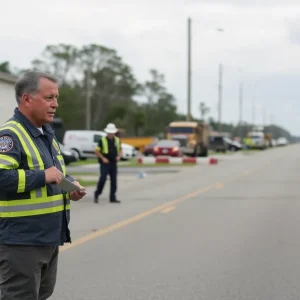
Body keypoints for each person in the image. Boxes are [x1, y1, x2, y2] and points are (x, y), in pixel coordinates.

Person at [0, 71, 87, 300]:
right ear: (27, 99)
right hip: (21, 241)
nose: (55, 104)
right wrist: (42, 176)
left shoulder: (46, 134)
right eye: (49, 98)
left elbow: (54, 174)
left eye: (56, 98)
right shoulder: (11, 135)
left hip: (47, 238)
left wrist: (70, 186)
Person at [94, 123, 122, 204]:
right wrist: (103, 158)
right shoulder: (102, 140)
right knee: (103, 179)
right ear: (107, 133)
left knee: (114, 181)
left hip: (113, 162)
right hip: (105, 163)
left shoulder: (117, 140)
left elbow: (120, 150)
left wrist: (119, 156)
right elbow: (97, 151)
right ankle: (97, 193)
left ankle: (112, 197)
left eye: (112, 132)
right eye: (109, 133)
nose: (111, 134)